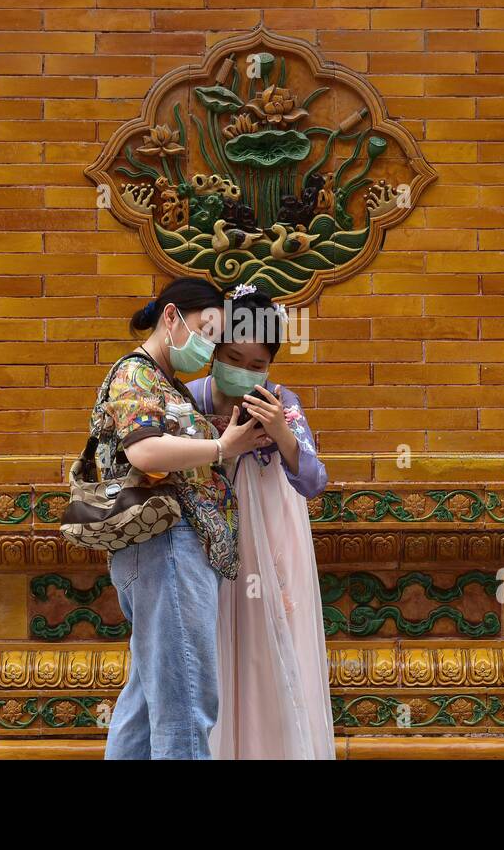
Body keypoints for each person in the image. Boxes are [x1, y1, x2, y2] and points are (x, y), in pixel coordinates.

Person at [95, 277, 269, 760]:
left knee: (148, 700)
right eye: (204, 331)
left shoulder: (167, 383)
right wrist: (221, 447)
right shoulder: (137, 374)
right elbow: (145, 450)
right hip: (167, 546)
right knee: (187, 701)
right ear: (170, 318)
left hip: (165, 550)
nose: (208, 348)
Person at [188, 284, 335, 760]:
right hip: (208, 540)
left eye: (257, 364)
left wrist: (281, 434)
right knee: (212, 647)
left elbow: (313, 480)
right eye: (233, 357)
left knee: (271, 648)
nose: (245, 371)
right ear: (213, 351)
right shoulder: (189, 399)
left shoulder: (279, 401)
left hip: (270, 540)